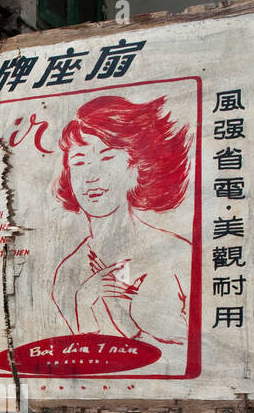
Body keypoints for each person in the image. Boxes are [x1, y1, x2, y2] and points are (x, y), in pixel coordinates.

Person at [50, 95, 194, 357]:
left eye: (106, 158)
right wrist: (84, 301)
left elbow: (207, 355)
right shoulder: (67, 273)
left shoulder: (178, 254)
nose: (91, 176)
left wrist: (124, 321)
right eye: (79, 163)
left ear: (138, 168)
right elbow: (82, 364)